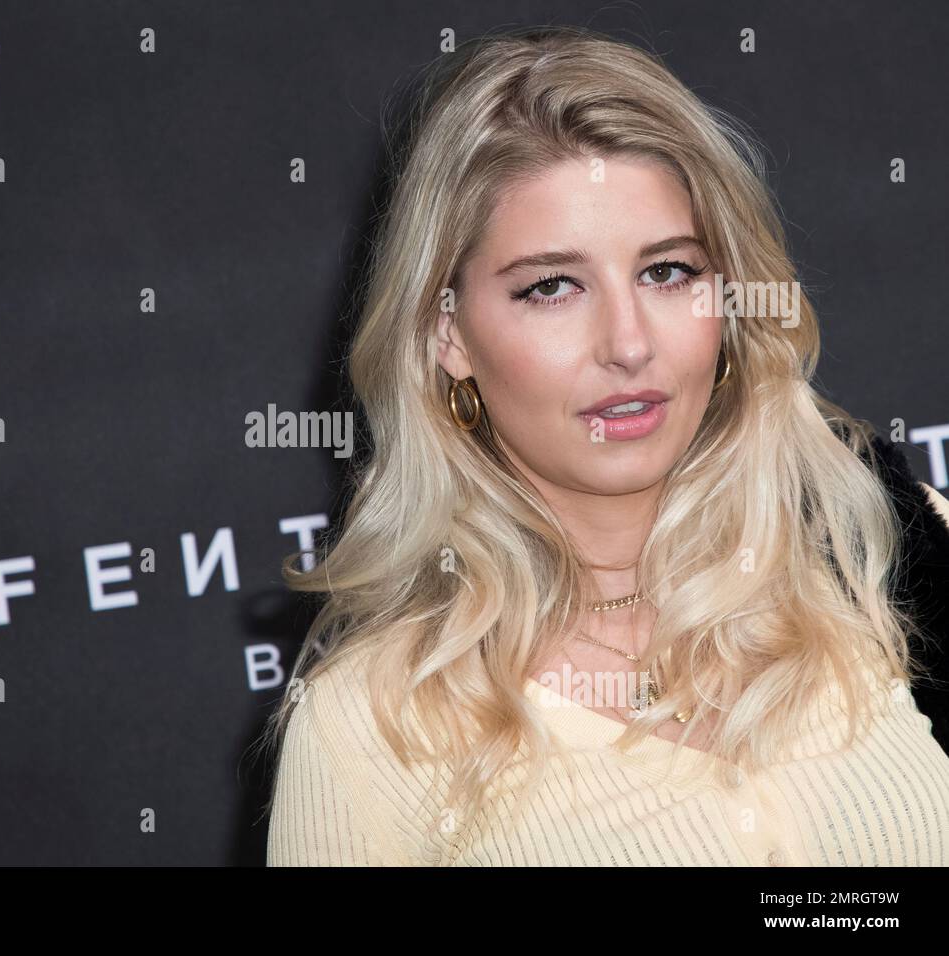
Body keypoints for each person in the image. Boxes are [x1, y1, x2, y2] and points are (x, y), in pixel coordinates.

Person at [259, 25, 949, 866]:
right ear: (449, 335)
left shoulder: (880, 550)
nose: (628, 343)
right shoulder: (372, 727)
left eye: (668, 273)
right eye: (552, 287)